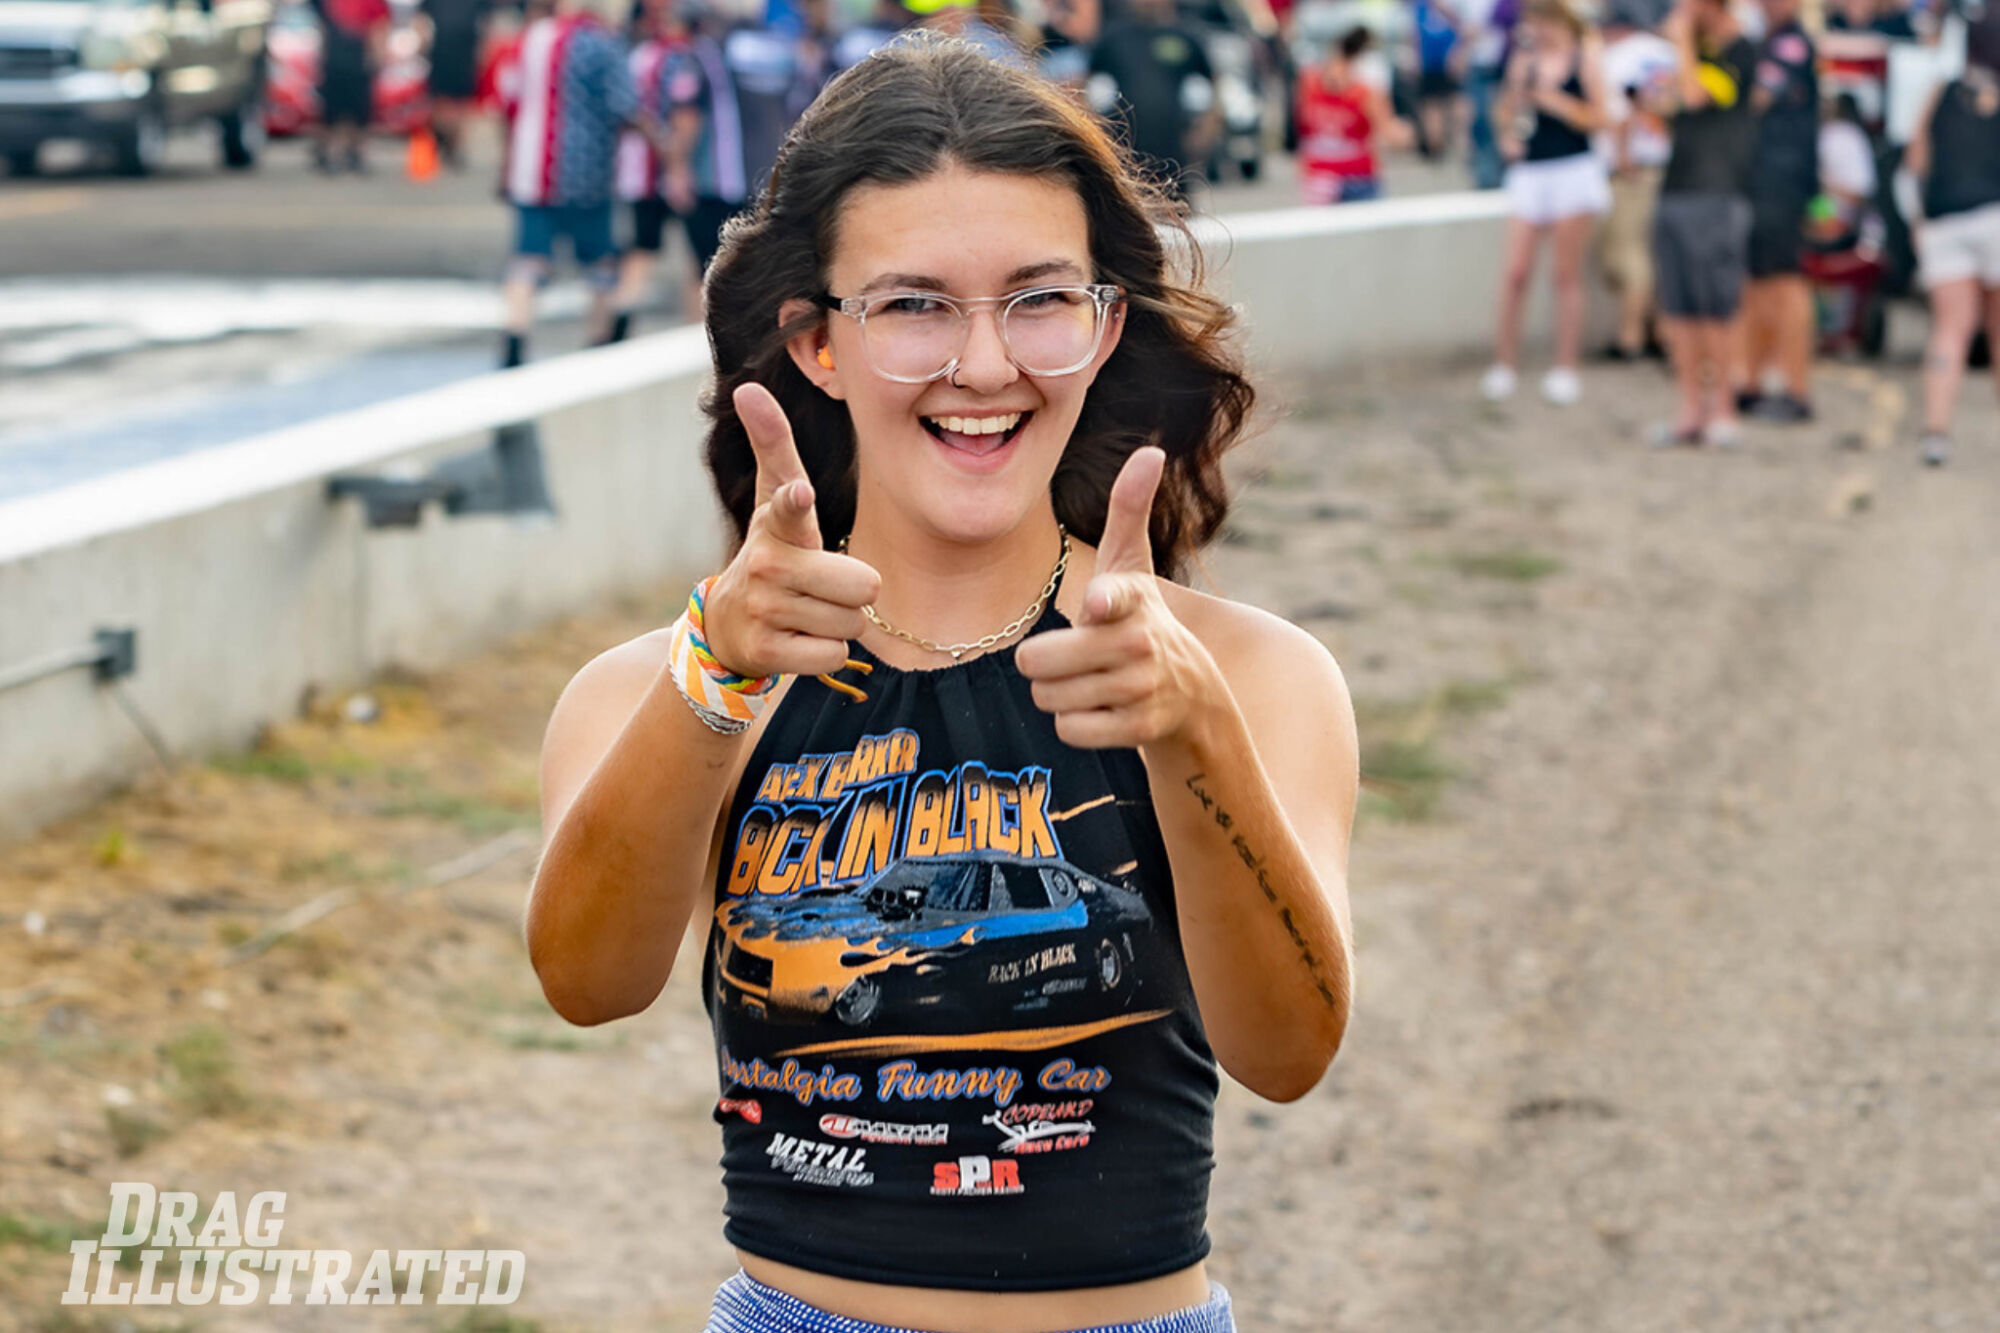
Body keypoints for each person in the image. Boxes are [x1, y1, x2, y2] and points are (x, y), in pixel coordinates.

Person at [525, 34, 1355, 1333]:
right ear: (814, 344)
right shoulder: (669, 681)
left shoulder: (1250, 673)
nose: (984, 365)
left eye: (1038, 298)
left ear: (1105, 321)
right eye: (914, 304)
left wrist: (1195, 740)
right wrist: (711, 678)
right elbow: (585, 982)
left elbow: (1290, 1055)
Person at [497, 0, 651, 366]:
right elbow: (624, 106)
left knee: (528, 259)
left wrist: (506, 165)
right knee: (599, 261)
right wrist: (660, 141)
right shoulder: (600, 42)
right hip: (586, 171)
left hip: (530, 169)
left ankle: (515, 340)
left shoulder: (530, 37)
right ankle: (599, 344)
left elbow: (508, 102)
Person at [1482, 0, 1609, 406]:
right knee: (1516, 271)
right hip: (1531, 171)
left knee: (1565, 274)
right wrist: (1507, 134)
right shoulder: (1525, 59)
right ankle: (1504, 363)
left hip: (1573, 167)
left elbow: (1600, 116)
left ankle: (1564, 367)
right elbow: (1506, 107)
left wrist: (1555, 101)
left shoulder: (1584, 52)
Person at [1650, 0, 1757, 447]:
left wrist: (1680, 43)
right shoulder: (1694, 51)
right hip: (1676, 190)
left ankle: (1724, 409)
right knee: (1679, 311)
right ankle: (1691, 409)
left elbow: (1694, 96)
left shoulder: (1741, 53)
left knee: (1717, 309)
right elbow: (1665, 109)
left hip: (1716, 195)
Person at [664, 0, 822, 277]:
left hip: (714, 185)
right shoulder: (786, 50)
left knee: (708, 275)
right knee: (760, 276)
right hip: (772, 182)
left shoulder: (707, 51)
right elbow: (804, 113)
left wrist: (677, 169)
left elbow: (687, 115)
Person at [1904, 11, 2000, 466]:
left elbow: (1916, 157)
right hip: (1993, 216)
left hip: (1944, 219)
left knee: (1949, 330)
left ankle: (1936, 433)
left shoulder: (1943, 91)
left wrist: (1918, 218)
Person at [1732, 0, 1819, 423]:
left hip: (1782, 181)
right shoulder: (1768, 40)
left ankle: (1796, 388)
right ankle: (1752, 380)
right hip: (1759, 178)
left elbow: (1754, 98)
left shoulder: (1791, 44)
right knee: (1755, 281)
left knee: (1784, 281)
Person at [1595, 2, 1676, 361]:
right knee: (1654, 252)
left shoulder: (1619, 57)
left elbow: (1626, 108)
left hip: (1635, 168)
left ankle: (1631, 334)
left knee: (1627, 252)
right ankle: (1658, 328)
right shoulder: (1669, 52)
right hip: (1668, 165)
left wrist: (1623, 157)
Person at [611, 0, 696, 339]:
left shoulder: (641, 55)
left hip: (640, 173)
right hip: (666, 169)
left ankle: (619, 319)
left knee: (643, 249)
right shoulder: (679, 57)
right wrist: (671, 154)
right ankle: (698, 332)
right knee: (701, 254)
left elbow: (630, 111)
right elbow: (678, 115)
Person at [1088, 0, 1221, 200]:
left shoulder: (1186, 37)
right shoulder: (1113, 40)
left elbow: (1214, 86)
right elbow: (1084, 87)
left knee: (1178, 219)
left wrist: (1207, 129)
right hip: (1127, 158)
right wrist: (1097, 136)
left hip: (1174, 156)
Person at [1296, 25, 1405, 204]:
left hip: (1322, 176)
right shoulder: (1364, 92)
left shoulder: (1310, 82)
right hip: (1353, 176)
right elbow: (1391, 134)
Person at [311, 0, 391, 173]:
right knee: (331, 111)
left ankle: (356, 153)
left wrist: (377, 56)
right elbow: (322, 23)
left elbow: (379, 25)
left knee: (359, 110)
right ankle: (329, 152)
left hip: (359, 58)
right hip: (335, 58)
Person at [420, 0, 490, 168]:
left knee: (462, 102)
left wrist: (483, 52)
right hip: (441, 51)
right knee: (440, 101)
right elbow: (422, 19)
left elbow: (486, 23)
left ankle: (455, 145)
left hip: (466, 51)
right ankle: (442, 138)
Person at [1412, 0, 1464, 161]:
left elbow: (1462, 27)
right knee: (1431, 106)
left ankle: (1459, 143)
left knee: (1455, 103)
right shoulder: (1420, 6)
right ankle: (1436, 145)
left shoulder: (1452, 7)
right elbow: (1415, 33)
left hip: (1449, 61)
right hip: (1429, 64)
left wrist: (1459, 54)